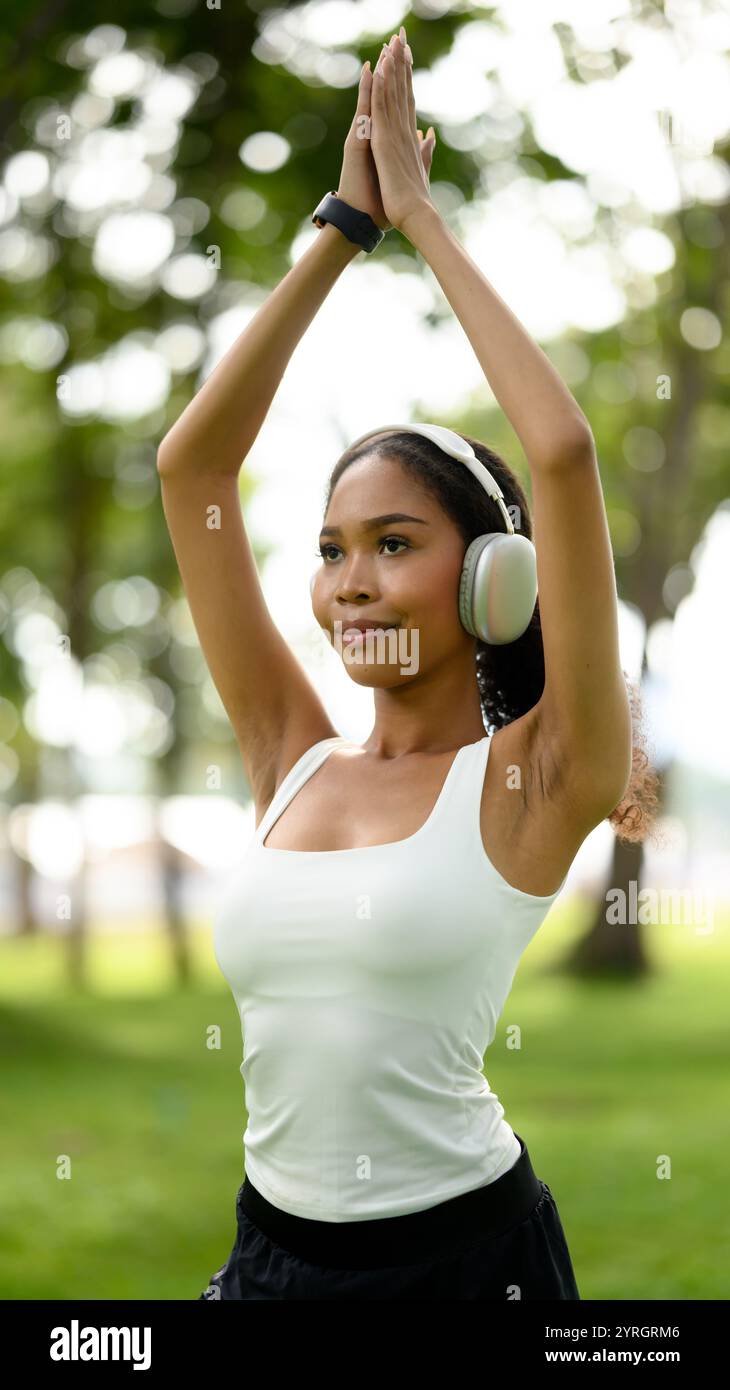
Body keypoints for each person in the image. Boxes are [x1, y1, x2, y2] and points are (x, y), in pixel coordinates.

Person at [157, 27, 657, 1300]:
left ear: (492, 575)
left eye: (393, 542)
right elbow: (192, 473)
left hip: (461, 1266)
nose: (350, 583)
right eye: (332, 550)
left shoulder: (538, 775)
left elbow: (562, 459)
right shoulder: (291, 752)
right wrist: (341, 224)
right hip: (267, 1255)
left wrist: (424, 219)